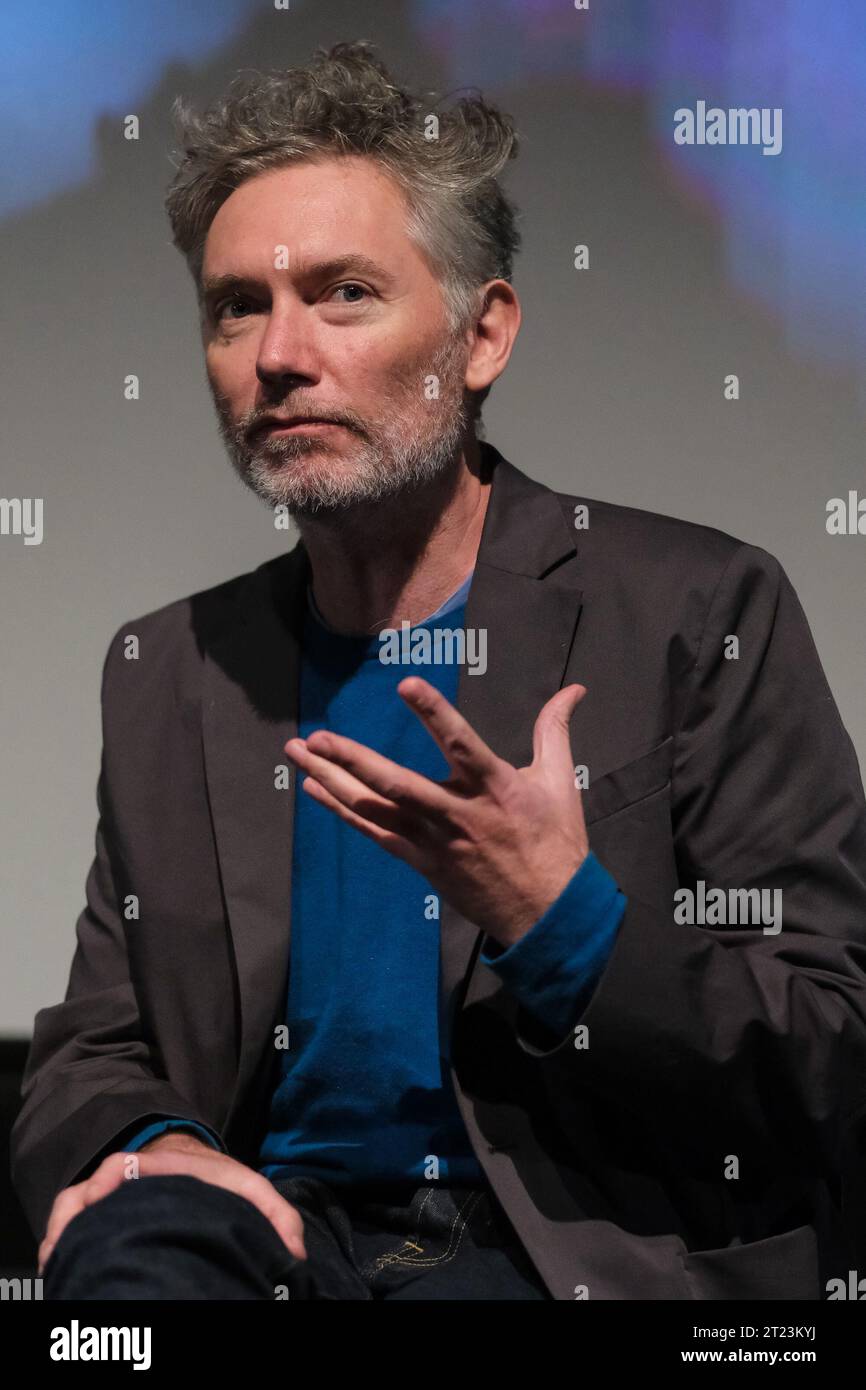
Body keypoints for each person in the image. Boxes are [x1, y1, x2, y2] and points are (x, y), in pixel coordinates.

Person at [11, 40, 866, 1301]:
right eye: (236, 305)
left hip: (571, 1257)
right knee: (123, 1278)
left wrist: (563, 925)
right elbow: (95, 1043)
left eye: (344, 294)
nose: (277, 355)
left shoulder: (693, 609)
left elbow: (831, 1049)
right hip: (279, 1244)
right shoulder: (172, 665)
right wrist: (157, 1144)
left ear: (482, 334)